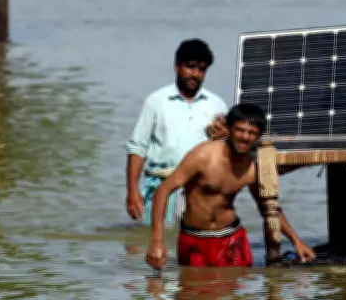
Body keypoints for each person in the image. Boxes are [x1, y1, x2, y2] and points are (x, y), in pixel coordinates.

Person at [145, 103, 316, 270]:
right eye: (240, 130)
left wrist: (296, 241)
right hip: (194, 238)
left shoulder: (251, 168)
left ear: (258, 136)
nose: (245, 137)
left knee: (234, 289)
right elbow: (163, 191)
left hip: (231, 238)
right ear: (228, 129)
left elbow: (268, 207)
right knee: (193, 288)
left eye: (252, 133)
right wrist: (157, 241)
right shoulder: (203, 155)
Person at [126, 39, 228, 226]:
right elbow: (137, 148)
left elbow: (228, 153)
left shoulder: (217, 105)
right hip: (161, 186)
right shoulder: (156, 101)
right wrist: (133, 191)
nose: (195, 74)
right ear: (176, 66)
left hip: (201, 191)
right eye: (190, 67)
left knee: (199, 241)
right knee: (155, 239)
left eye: (201, 69)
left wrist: (224, 138)